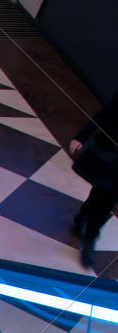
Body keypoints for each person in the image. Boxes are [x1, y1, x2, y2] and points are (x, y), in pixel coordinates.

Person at [69, 91, 118, 272]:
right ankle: (89, 235)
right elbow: (105, 114)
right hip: (111, 152)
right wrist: (81, 136)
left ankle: (83, 219)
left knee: (105, 195)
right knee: (105, 195)